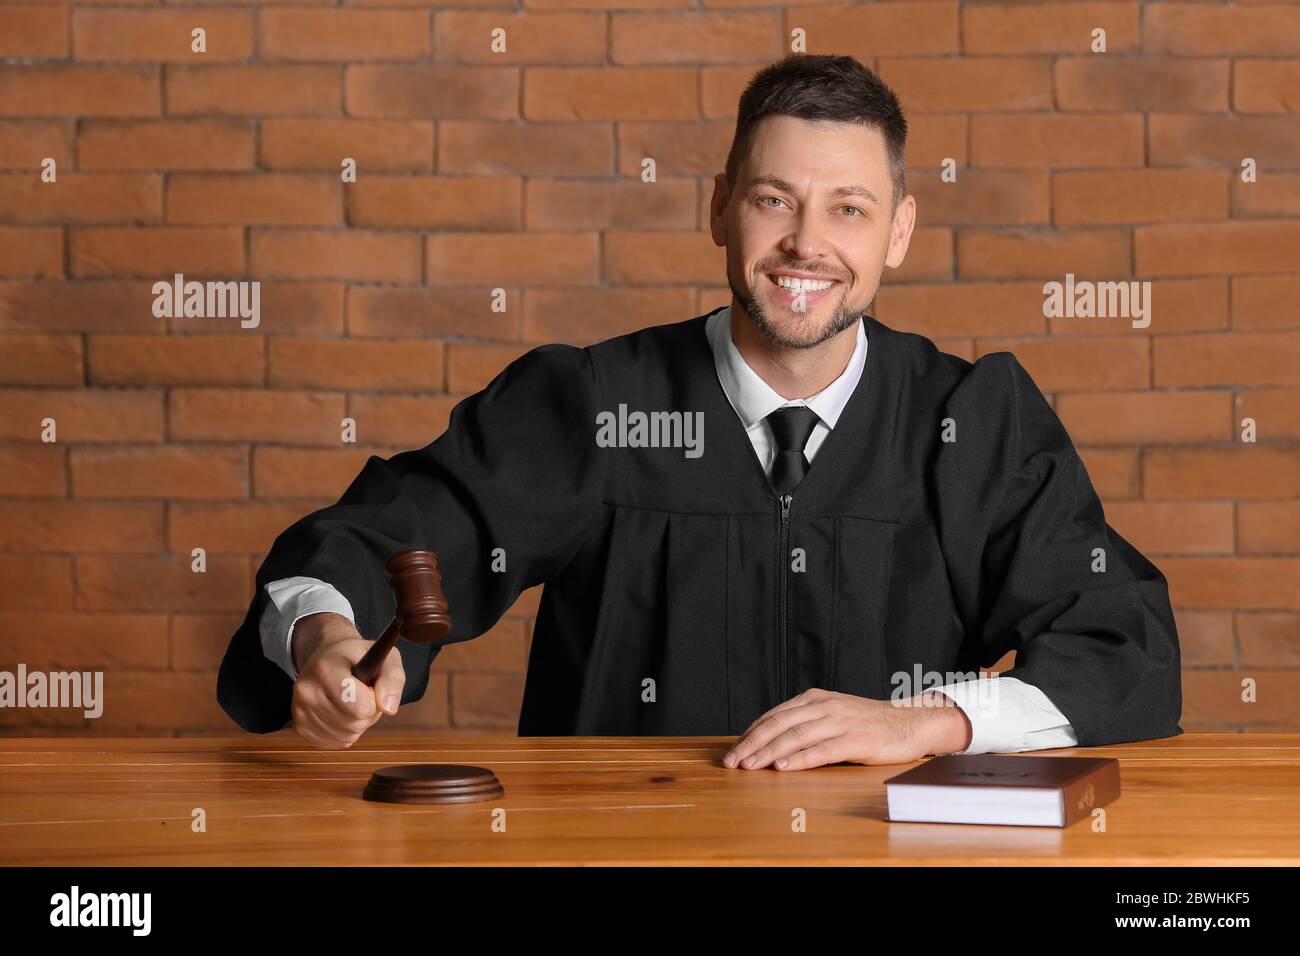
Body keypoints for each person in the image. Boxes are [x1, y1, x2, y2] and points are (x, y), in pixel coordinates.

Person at [217, 53, 1182, 771]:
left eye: (848, 208)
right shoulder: (596, 406)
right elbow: (375, 537)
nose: (808, 243)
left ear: (900, 231)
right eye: (774, 200)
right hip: (622, 857)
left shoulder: (969, 424)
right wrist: (326, 640)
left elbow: (1123, 642)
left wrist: (931, 720)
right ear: (719, 208)